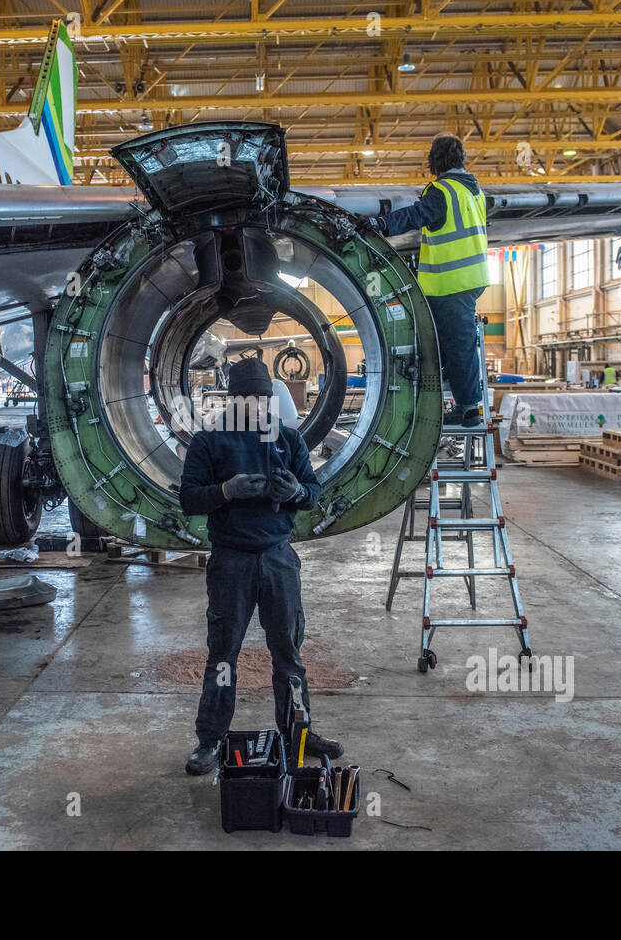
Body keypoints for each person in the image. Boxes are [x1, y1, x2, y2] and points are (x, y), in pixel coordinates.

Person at [178, 357, 342, 775]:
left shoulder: (288, 438)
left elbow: (314, 490)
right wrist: (225, 491)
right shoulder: (209, 442)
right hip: (231, 560)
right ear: (233, 400)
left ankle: (298, 736)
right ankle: (208, 742)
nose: (256, 406)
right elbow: (190, 498)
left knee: (288, 652)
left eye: (263, 399)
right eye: (248, 398)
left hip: (277, 558)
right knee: (223, 656)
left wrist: (297, 492)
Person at [366, 134, 488, 427]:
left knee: (459, 345)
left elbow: (417, 214)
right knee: (450, 343)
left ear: (435, 161)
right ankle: (461, 396)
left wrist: (382, 224)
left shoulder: (442, 191)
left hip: (450, 282)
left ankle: (469, 408)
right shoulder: (474, 192)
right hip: (469, 278)